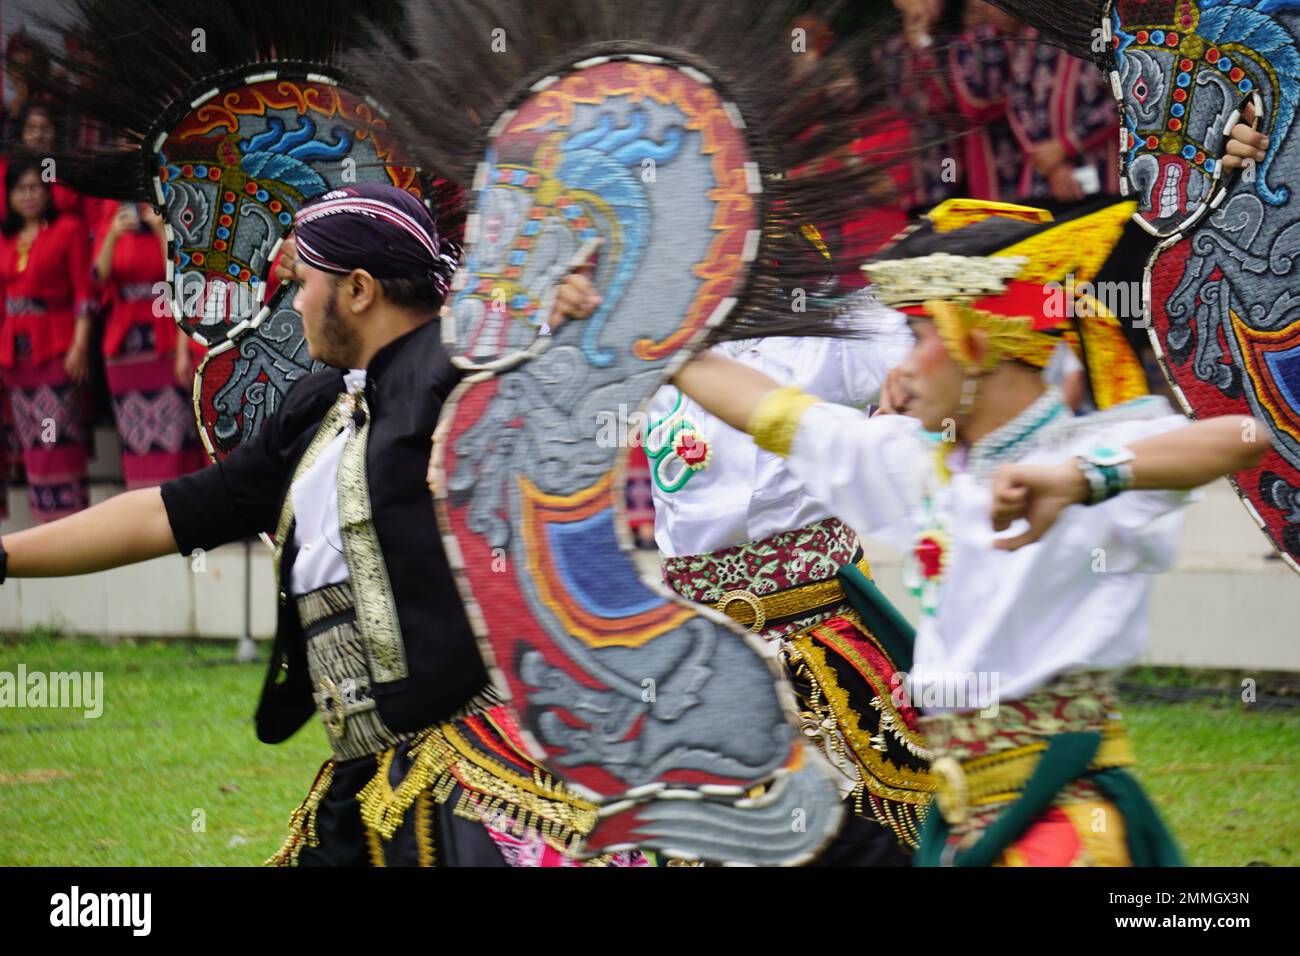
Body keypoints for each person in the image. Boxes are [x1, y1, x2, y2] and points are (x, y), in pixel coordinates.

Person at [0, 183, 645, 868]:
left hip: (477, 777)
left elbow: (528, 383)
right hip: (363, 775)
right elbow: (170, 512)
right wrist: (7, 557)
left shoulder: (455, 374)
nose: (297, 300)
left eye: (306, 282)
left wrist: (554, 307)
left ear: (360, 289)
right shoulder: (320, 408)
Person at [665, 198, 1271, 866]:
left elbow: (1244, 435)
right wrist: (636, 327)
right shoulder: (914, 463)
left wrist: (1083, 478)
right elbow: (766, 409)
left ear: (976, 345)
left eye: (920, 338)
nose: (901, 364)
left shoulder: (1084, 451)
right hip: (963, 824)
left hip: (1062, 829)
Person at [645, 297, 933, 863]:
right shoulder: (658, 333)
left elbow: (941, 365)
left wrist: (897, 426)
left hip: (818, 637)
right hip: (701, 652)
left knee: (866, 839)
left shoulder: (833, 329)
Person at [0, 156, 93, 522]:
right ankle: (44, 522)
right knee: (32, 444)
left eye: (35, 187)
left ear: (47, 191)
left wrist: (80, 344)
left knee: (54, 436)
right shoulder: (5, 238)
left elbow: (85, 294)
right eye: (19, 189)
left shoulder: (68, 229)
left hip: (57, 345)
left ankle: (70, 521)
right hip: (16, 354)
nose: (28, 195)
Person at [93, 201, 206, 487]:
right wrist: (112, 236)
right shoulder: (112, 221)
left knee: (176, 430)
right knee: (135, 435)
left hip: (165, 338)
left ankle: (176, 504)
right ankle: (140, 502)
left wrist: (161, 231)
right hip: (124, 343)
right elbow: (97, 278)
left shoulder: (171, 219)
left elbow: (182, 280)